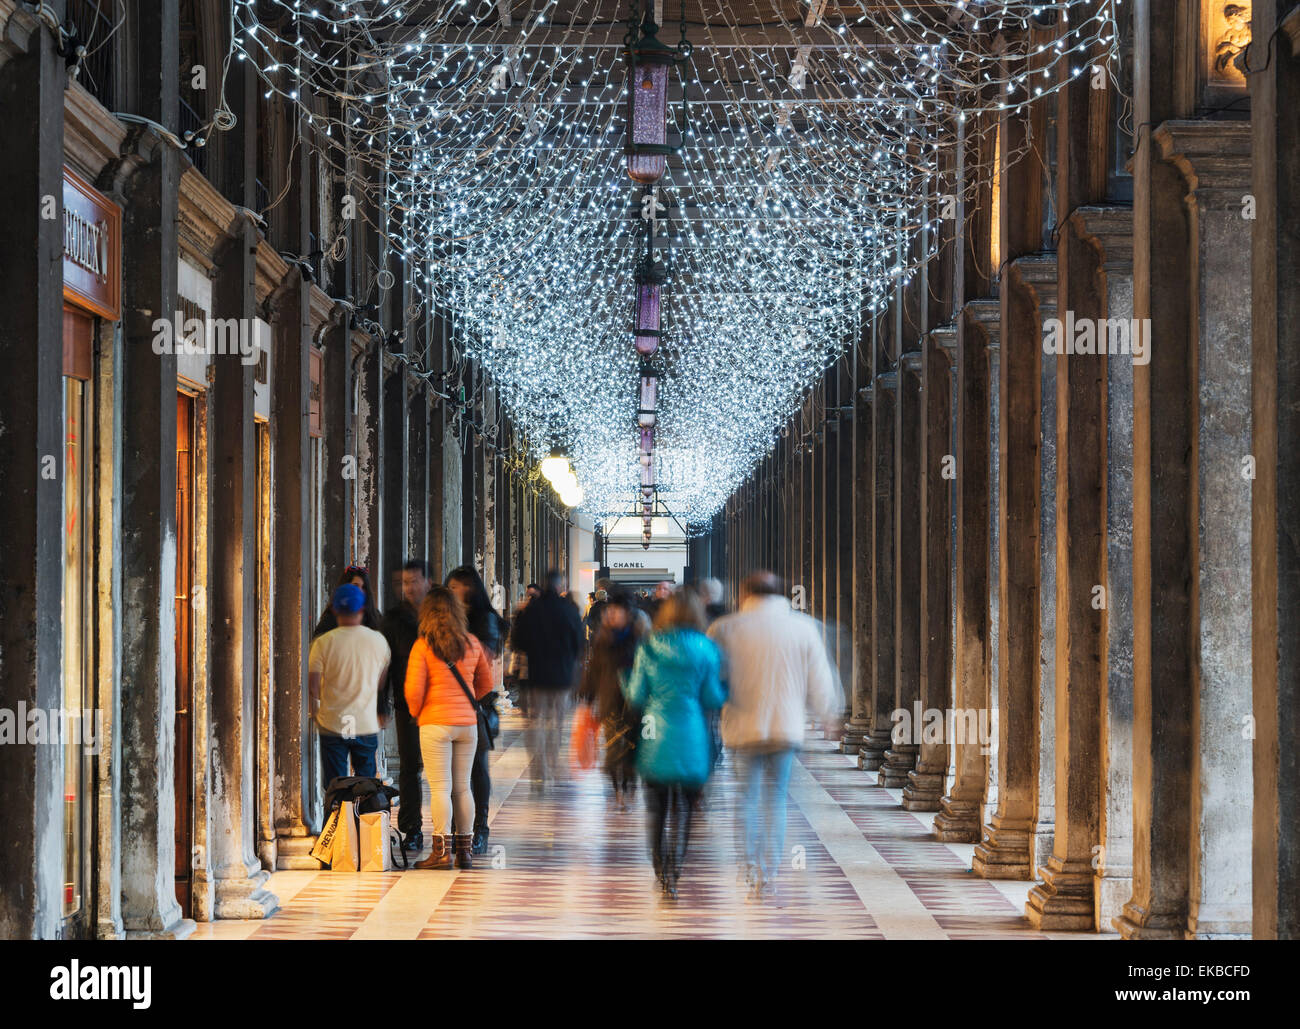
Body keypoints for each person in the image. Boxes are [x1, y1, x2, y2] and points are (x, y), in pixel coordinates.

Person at [707, 570, 841, 901]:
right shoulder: (804, 627)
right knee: (777, 798)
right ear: (780, 593)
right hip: (786, 727)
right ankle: (770, 870)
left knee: (747, 798)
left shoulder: (724, 628)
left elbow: (710, 677)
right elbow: (820, 678)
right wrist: (828, 714)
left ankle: (750, 865)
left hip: (742, 727)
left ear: (744, 593)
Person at [623, 589, 726, 899]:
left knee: (657, 808)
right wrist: (726, 691)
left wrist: (624, 678)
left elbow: (636, 696)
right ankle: (676, 869)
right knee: (685, 809)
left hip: (654, 730)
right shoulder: (706, 648)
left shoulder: (649, 648)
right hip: (692, 732)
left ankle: (660, 871)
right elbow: (711, 698)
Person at [404, 586, 494, 870]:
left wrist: (419, 713)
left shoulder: (423, 646)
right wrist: (468, 704)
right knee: (462, 788)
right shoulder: (472, 643)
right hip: (467, 725)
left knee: (440, 788)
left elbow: (413, 691)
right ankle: (465, 852)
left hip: (435, 722)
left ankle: (441, 852)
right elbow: (487, 684)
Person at [308, 584, 391, 800]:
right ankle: (363, 829)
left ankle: (337, 828)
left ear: (335, 610)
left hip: (333, 722)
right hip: (364, 721)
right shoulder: (378, 641)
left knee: (335, 786)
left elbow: (313, 688)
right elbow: (381, 681)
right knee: (366, 784)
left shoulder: (323, 643)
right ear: (362, 609)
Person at [446, 565, 504, 854]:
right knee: (451, 770)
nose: (458, 592)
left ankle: (479, 826)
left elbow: (485, 666)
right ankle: (459, 827)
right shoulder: (444, 621)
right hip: (446, 703)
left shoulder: (484, 620)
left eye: (462, 587)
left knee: (477, 767)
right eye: (453, 587)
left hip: (474, 704)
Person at [509, 570, 585, 790]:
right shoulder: (569, 611)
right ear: (560, 586)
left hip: (535, 677)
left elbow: (517, 642)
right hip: (561, 678)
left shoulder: (531, 610)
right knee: (556, 723)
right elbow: (579, 644)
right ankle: (551, 765)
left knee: (536, 724)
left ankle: (538, 773)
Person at [380, 559, 433, 852]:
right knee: (410, 767)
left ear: (427, 581)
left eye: (414, 581)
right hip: (406, 703)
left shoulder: (441, 614)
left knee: (444, 771)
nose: (409, 587)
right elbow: (384, 664)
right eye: (403, 582)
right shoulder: (393, 619)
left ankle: (452, 829)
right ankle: (412, 828)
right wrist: (381, 703)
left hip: (440, 703)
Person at [577, 591, 646, 810]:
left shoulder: (639, 639)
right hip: (609, 702)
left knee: (633, 749)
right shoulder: (603, 639)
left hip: (633, 703)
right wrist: (587, 697)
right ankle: (618, 790)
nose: (612, 615)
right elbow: (595, 670)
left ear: (628, 613)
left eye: (618, 611)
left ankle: (630, 785)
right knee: (613, 749)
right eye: (611, 611)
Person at [313, 565, 381, 638]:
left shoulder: (375, 616)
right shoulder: (330, 619)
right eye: (355, 586)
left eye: (363, 587)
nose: (359, 591)